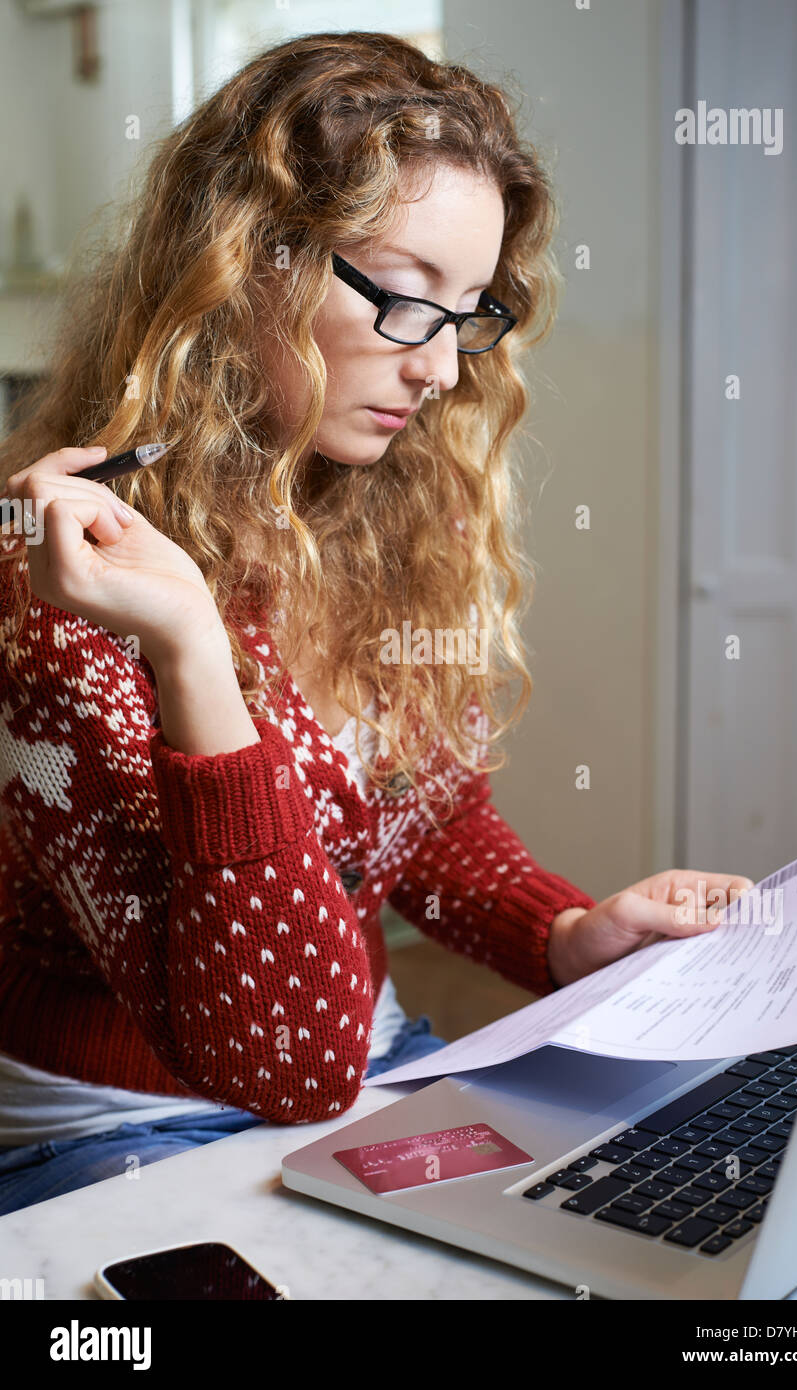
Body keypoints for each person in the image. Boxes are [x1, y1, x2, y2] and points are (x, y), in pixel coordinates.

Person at [0, 31, 751, 1219]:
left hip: (371, 1063)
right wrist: (195, 654)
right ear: (252, 261)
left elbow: (426, 809)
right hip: (116, 1132)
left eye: (472, 310)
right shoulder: (66, 594)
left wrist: (559, 932)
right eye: (407, 299)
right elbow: (273, 1060)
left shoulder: (389, 510)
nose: (446, 369)